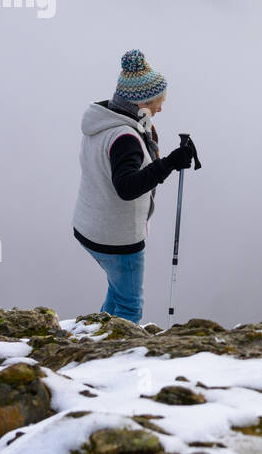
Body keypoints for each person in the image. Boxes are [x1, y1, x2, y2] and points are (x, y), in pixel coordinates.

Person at [72, 49, 193, 324]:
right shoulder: (125, 136)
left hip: (91, 227)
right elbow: (126, 188)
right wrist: (171, 163)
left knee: (117, 291)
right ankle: (112, 358)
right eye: (157, 103)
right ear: (140, 103)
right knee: (129, 307)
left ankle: (95, 335)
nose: (161, 108)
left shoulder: (103, 121)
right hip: (116, 239)